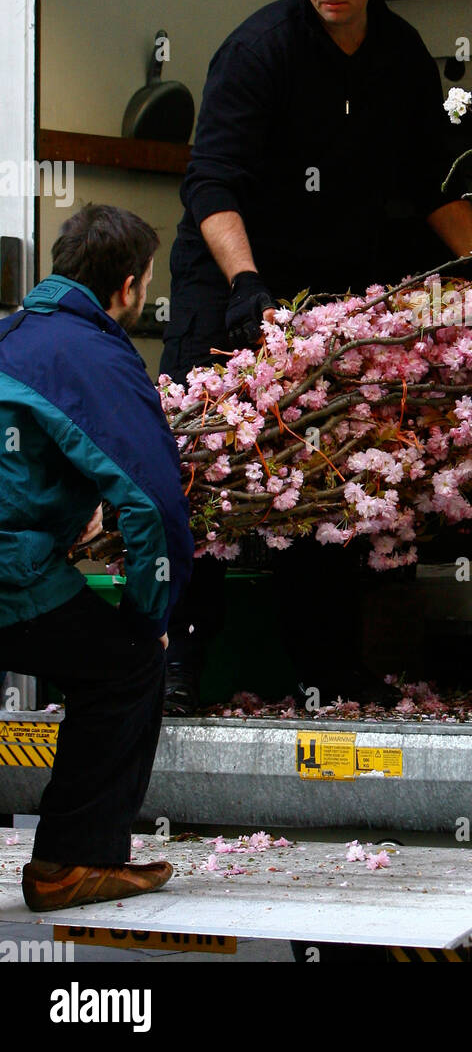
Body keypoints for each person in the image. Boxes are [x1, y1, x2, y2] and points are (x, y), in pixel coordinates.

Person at [160, 0, 472, 713]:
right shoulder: (259, 50)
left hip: (325, 289)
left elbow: (429, 182)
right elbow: (211, 181)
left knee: (331, 473)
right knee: (201, 469)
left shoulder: (403, 54)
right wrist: (245, 289)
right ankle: (179, 663)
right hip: (227, 278)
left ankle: (325, 669)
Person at [0, 204, 194, 912]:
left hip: (18, 560)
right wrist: (153, 611)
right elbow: (152, 504)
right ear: (130, 286)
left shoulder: (10, 333)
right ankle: (71, 864)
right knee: (127, 662)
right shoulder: (95, 354)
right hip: (8, 572)